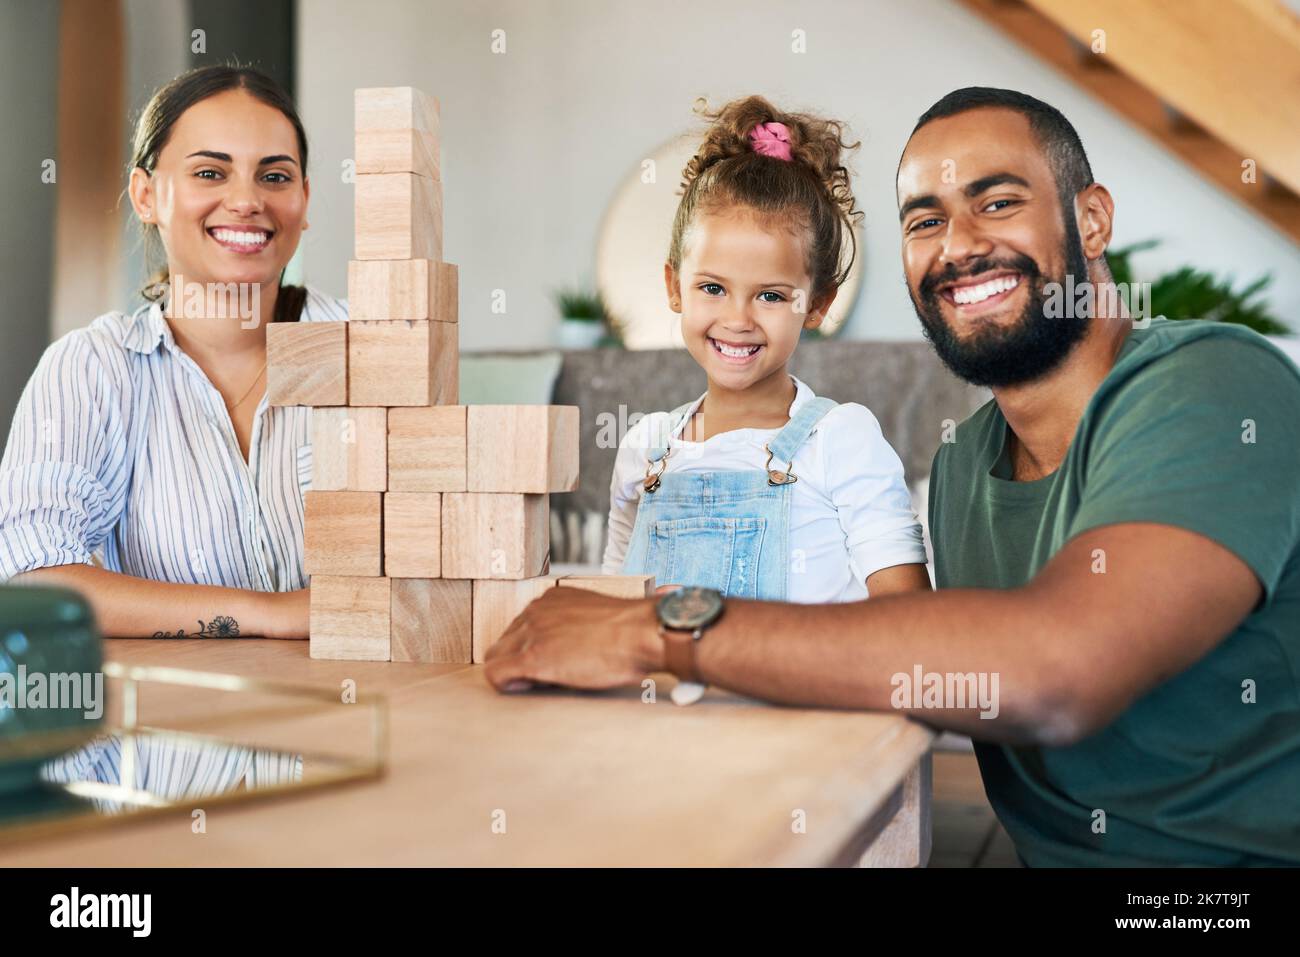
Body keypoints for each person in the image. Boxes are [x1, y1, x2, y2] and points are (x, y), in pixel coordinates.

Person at [484, 87, 1300, 867]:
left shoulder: (1215, 383)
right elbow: (938, 668)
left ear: (1091, 220)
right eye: (925, 219)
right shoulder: (961, 464)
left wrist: (659, 627)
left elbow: (1059, 674)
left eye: (999, 200)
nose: (958, 244)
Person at [0, 65, 346, 639]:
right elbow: (33, 579)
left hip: (361, 721)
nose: (246, 200)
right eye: (210, 172)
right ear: (145, 195)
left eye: (275, 177)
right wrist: (270, 614)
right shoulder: (93, 367)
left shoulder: (367, 345)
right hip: (165, 724)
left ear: (304, 201)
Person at [603, 95, 929, 603]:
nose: (737, 320)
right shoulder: (644, 449)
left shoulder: (841, 440)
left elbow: (907, 617)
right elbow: (613, 603)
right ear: (673, 287)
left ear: (818, 304)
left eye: (771, 296)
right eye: (712, 288)